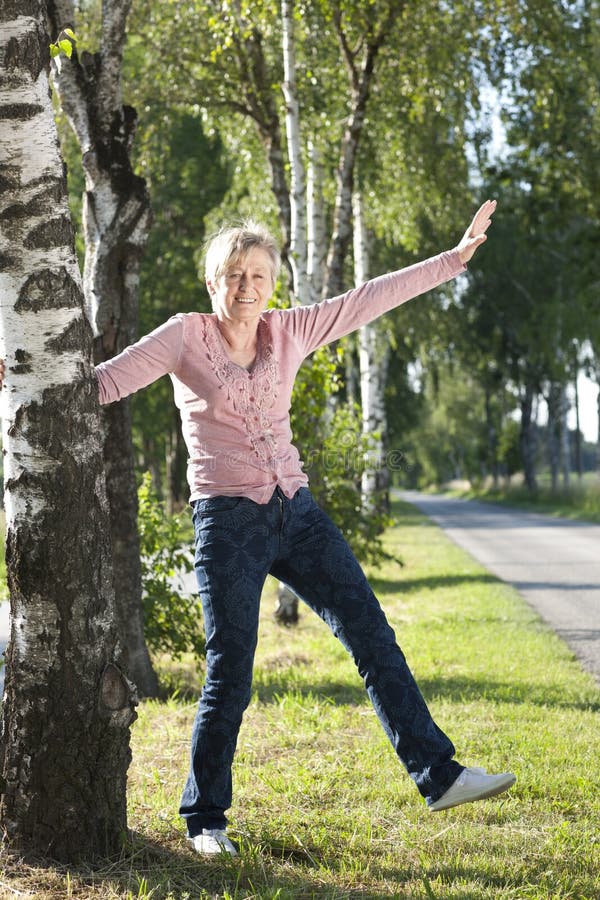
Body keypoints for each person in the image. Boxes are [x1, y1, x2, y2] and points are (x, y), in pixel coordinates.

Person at [0, 200, 515, 856]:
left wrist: (455, 258)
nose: (247, 287)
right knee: (231, 669)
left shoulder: (291, 330)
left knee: (372, 636)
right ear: (212, 283)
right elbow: (101, 384)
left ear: (274, 284)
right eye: (234, 275)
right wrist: (20, 373)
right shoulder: (185, 335)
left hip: (297, 513)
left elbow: (370, 297)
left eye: (259, 276)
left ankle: (437, 775)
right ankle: (205, 818)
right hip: (227, 520)